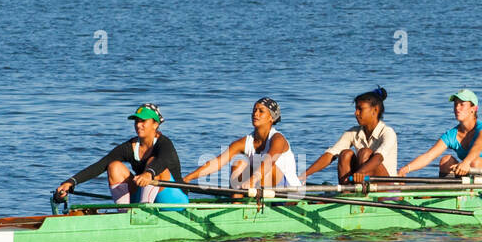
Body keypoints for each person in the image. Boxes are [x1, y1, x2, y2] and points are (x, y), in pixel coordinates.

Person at [54, 103, 189, 207]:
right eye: (136, 121)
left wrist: (148, 173)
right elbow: (101, 164)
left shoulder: (164, 143)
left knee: (153, 164)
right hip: (144, 195)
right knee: (113, 166)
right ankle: (125, 213)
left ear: (155, 124)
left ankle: (143, 214)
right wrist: (71, 182)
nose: (138, 125)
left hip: (173, 199)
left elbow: (162, 161)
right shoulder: (130, 146)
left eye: (143, 121)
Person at [183, 97, 302, 190]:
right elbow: (217, 163)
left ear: (271, 118)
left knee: (267, 166)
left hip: (289, 193)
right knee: (238, 164)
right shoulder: (245, 142)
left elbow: (269, 161)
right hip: (263, 186)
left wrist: (253, 178)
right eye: (254, 110)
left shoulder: (278, 139)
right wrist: (188, 178)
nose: (255, 114)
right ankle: (237, 205)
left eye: (261, 111)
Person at [300, 87, 398, 184]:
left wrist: (361, 172)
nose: (356, 113)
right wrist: (305, 174)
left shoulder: (388, 132)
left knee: (365, 153)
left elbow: (379, 157)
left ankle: (359, 191)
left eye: (360, 109)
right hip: (363, 182)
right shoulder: (353, 132)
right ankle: (347, 193)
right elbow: (330, 154)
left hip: (388, 187)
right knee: (345, 154)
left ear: (375, 110)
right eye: (356, 109)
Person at [398, 88, 482, 179]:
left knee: (475, 162)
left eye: (462, 104)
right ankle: (449, 195)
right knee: (446, 160)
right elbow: (429, 156)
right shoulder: (451, 135)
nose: (457, 108)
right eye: (455, 104)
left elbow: (477, 148)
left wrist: (466, 162)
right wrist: (406, 169)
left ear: (473, 109)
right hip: (470, 176)